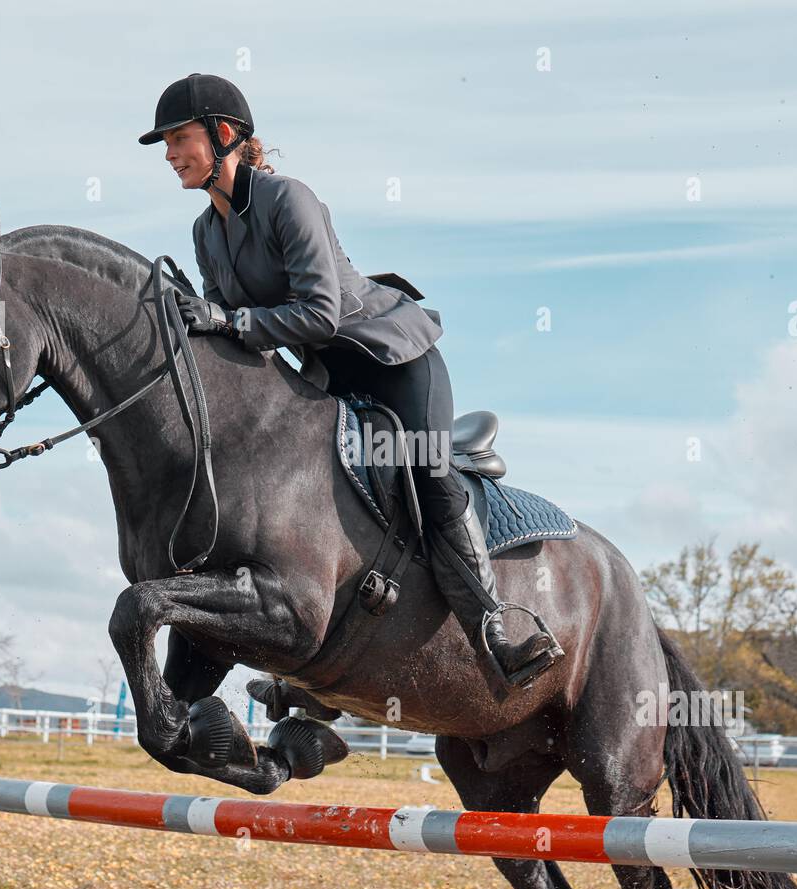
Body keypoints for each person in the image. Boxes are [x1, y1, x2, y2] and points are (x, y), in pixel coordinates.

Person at [138, 73, 563, 690]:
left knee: (427, 469)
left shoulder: (290, 200)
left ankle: (494, 627)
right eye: (168, 144)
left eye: (179, 139)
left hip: (390, 360)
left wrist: (229, 318)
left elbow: (320, 312)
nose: (171, 154)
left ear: (224, 135)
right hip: (327, 374)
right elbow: (230, 331)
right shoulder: (206, 232)